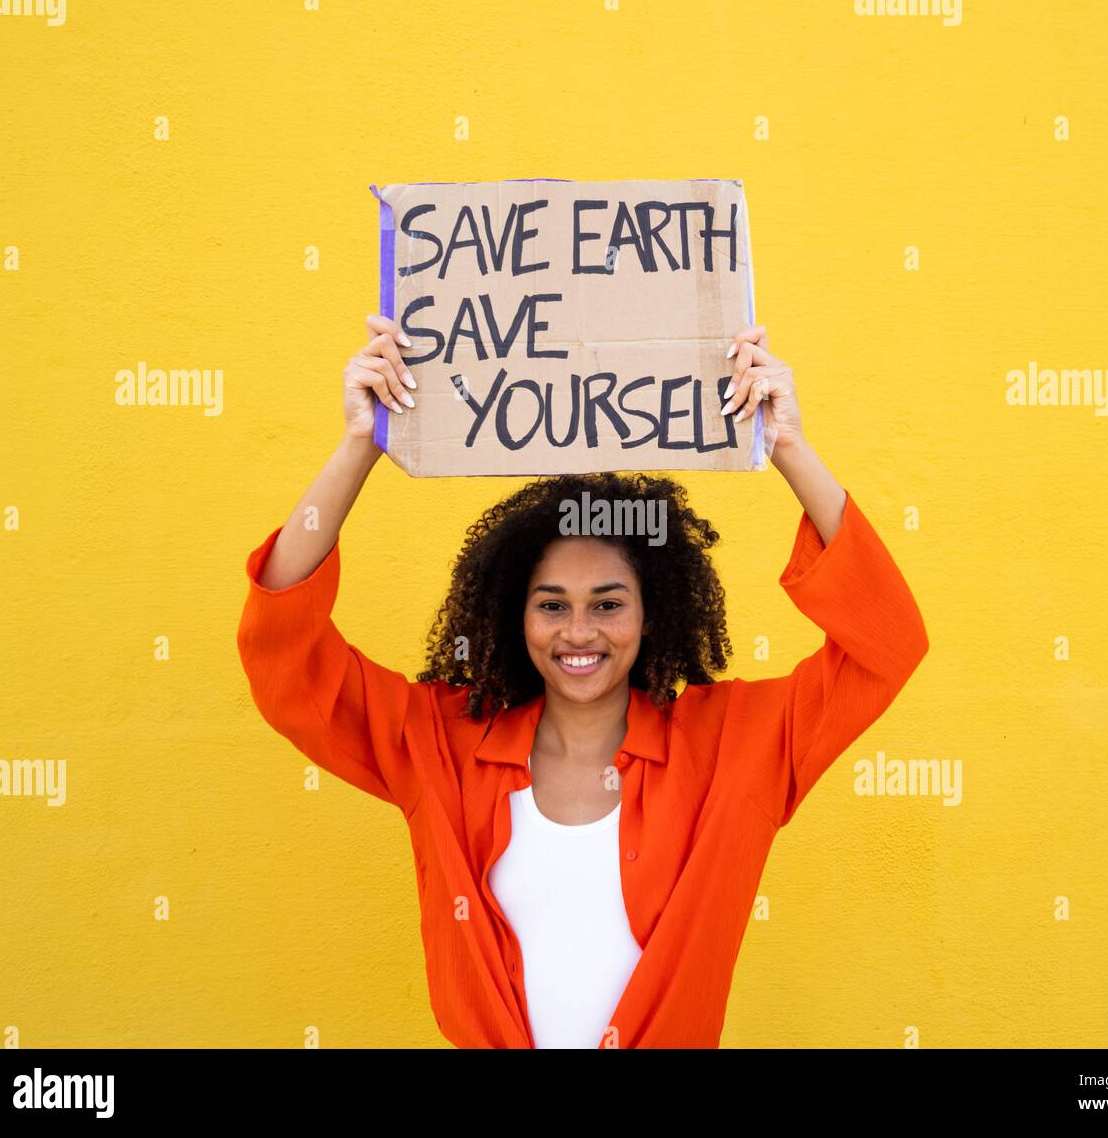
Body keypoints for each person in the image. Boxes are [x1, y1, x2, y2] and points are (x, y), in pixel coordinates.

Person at [236, 315, 929, 1048]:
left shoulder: (738, 746)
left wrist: (787, 445)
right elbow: (285, 654)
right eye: (551, 606)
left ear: (651, 612)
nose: (579, 632)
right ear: (514, 615)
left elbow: (886, 644)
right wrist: (359, 445)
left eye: (607, 603)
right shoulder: (439, 745)